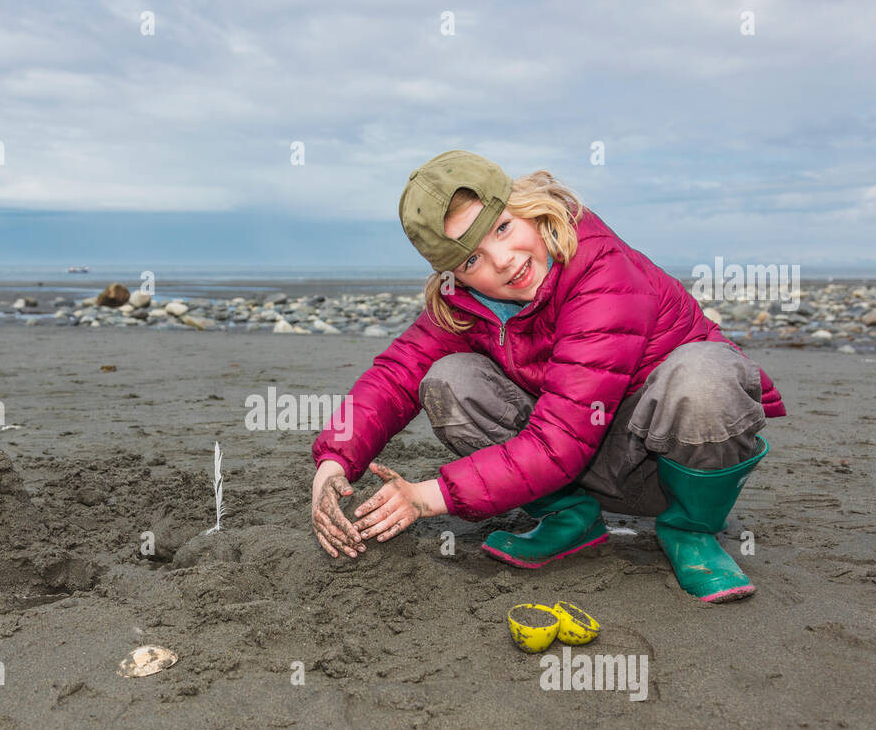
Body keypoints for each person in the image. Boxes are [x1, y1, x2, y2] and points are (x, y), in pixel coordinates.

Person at [309, 149, 787, 603]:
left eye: (501, 228)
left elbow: (561, 438)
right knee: (447, 380)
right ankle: (569, 519)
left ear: (527, 207)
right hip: (572, 470)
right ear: (454, 274)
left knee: (705, 373)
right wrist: (334, 460)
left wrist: (427, 497)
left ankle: (692, 532)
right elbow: (395, 375)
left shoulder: (600, 268)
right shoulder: (464, 304)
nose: (503, 261)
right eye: (471, 259)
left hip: (661, 466)